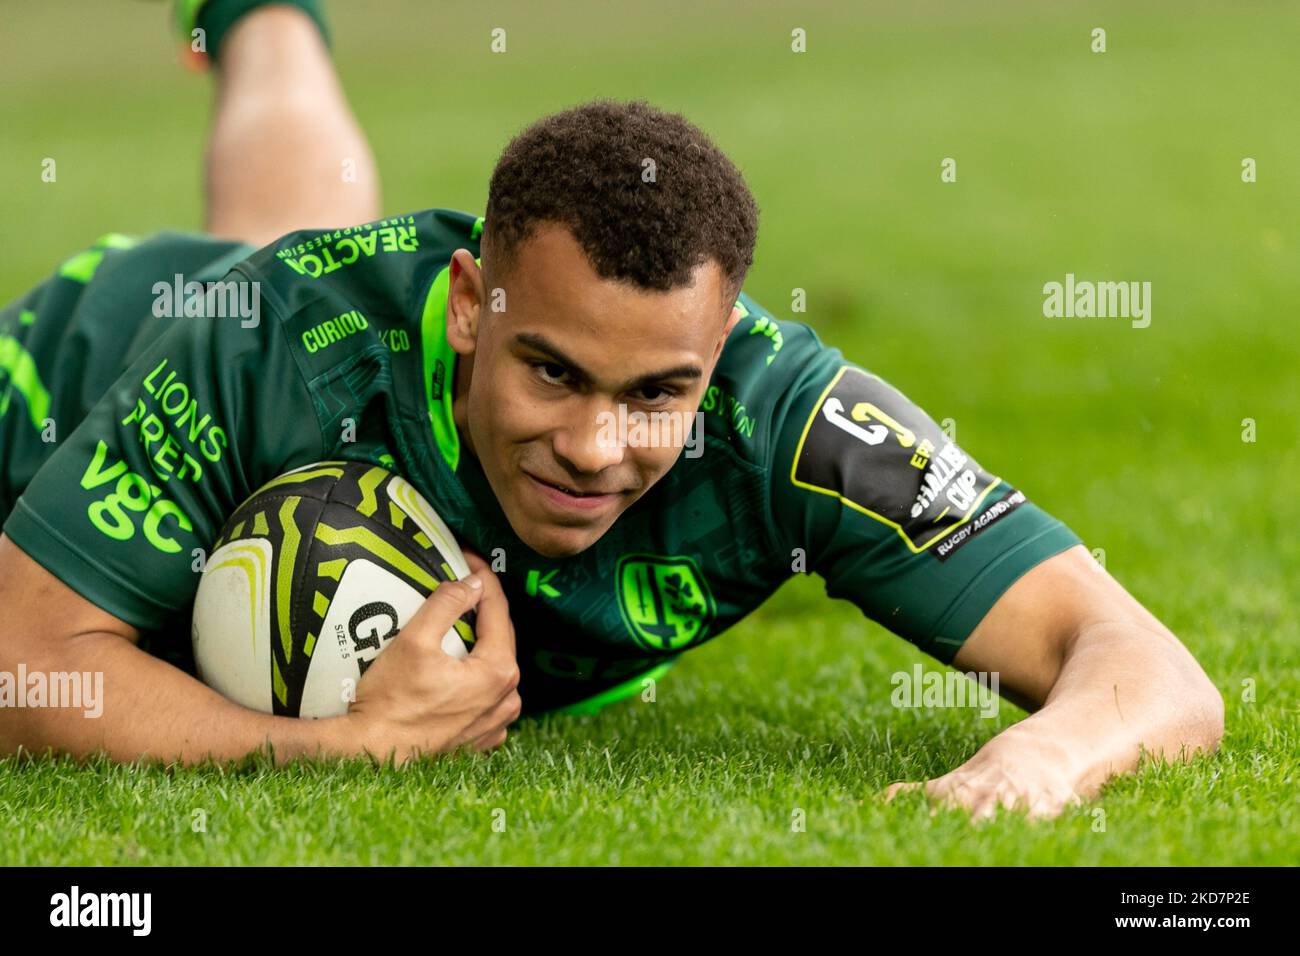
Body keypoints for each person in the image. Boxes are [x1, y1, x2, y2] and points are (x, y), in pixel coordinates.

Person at [0, 1, 1222, 821]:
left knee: (278, 228)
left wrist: (1034, 760)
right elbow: (25, 664)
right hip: (65, 364)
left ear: (720, 346)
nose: (594, 447)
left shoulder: (785, 424)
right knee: (264, 254)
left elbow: (1148, 670)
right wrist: (340, 750)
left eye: (656, 393)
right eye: (552, 373)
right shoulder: (270, 346)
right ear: (472, 304)